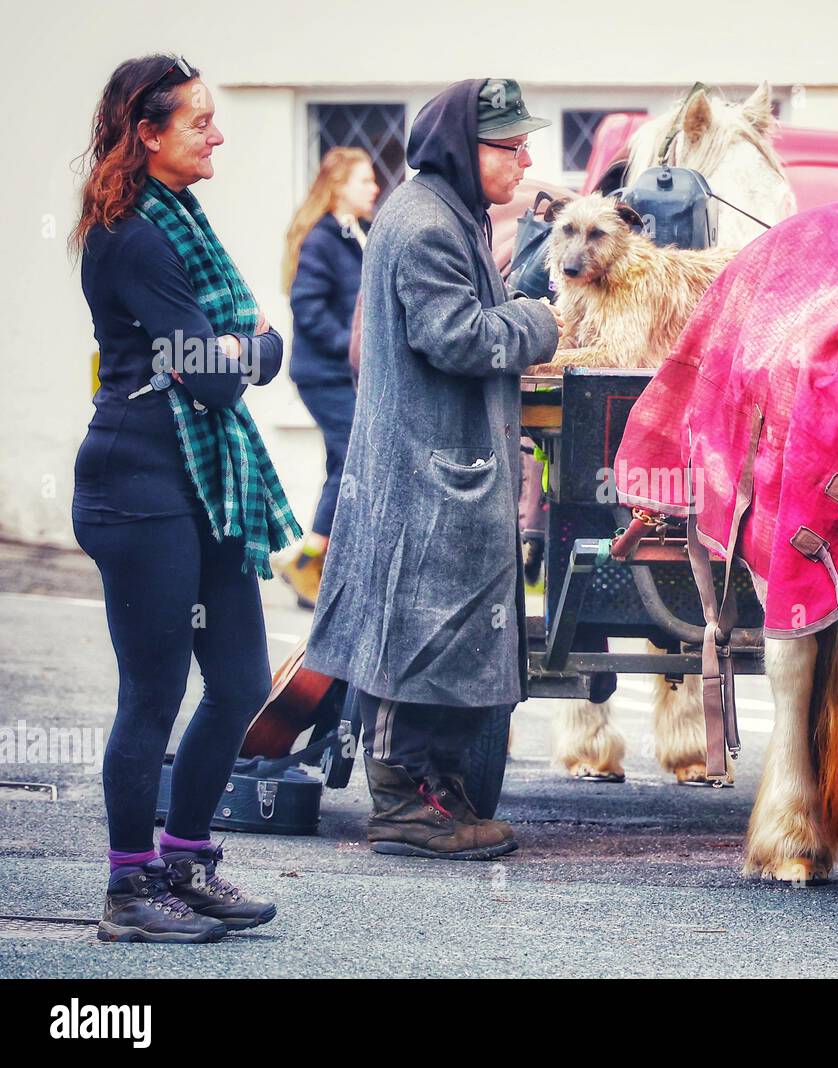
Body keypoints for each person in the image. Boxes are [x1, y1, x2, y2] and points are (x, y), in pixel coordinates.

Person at [71, 55, 300, 942]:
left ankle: (186, 861)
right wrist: (260, 349)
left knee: (241, 680)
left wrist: (236, 348)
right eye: (198, 120)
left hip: (196, 484)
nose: (216, 133)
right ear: (147, 133)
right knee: (154, 690)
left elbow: (209, 358)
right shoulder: (130, 234)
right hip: (137, 486)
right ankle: (129, 892)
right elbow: (211, 375)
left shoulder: (179, 221)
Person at [306, 78, 561, 860]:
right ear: (462, 146)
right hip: (422, 481)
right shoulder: (425, 224)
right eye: (509, 147)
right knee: (408, 637)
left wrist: (512, 289)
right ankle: (403, 810)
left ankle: (438, 795)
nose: (524, 161)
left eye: (524, 146)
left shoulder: (451, 213)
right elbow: (457, 338)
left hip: (444, 473)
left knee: (446, 639)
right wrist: (539, 319)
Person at [280, 148, 379, 608]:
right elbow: (308, 308)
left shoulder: (355, 234)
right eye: (365, 181)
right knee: (349, 460)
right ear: (338, 186)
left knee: (345, 461)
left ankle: (313, 558)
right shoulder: (322, 239)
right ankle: (309, 562)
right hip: (326, 374)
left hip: (342, 372)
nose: (374, 188)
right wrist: (354, 346)